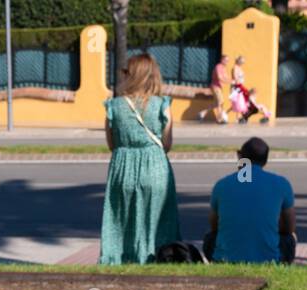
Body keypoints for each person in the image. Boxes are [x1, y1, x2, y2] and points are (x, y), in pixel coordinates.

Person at [98, 54, 181, 265]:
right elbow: (167, 144)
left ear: (132, 76)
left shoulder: (114, 106)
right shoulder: (162, 105)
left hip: (122, 167)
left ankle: (119, 259)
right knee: (159, 219)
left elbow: (111, 144)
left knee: (120, 219)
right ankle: (159, 257)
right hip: (156, 167)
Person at [205, 137, 296, 264]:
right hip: (268, 260)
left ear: (239, 156)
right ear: (265, 160)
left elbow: (214, 225)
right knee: (290, 238)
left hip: (225, 259)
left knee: (210, 236)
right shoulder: (281, 183)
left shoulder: (222, 184)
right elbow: (289, 228)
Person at [198, 54, 229, 124]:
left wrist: (232, 81)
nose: (227, 62)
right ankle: (219, 119)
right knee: (220, 102)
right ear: (222, 60)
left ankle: (203, 113)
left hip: (219, 87)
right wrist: (230, 81)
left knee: (218, 102)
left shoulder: (223, 68)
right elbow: (219, 77)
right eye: (226, 60)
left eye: (228, 60)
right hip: (215, 86)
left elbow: (226, 77)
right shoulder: (218, 67)